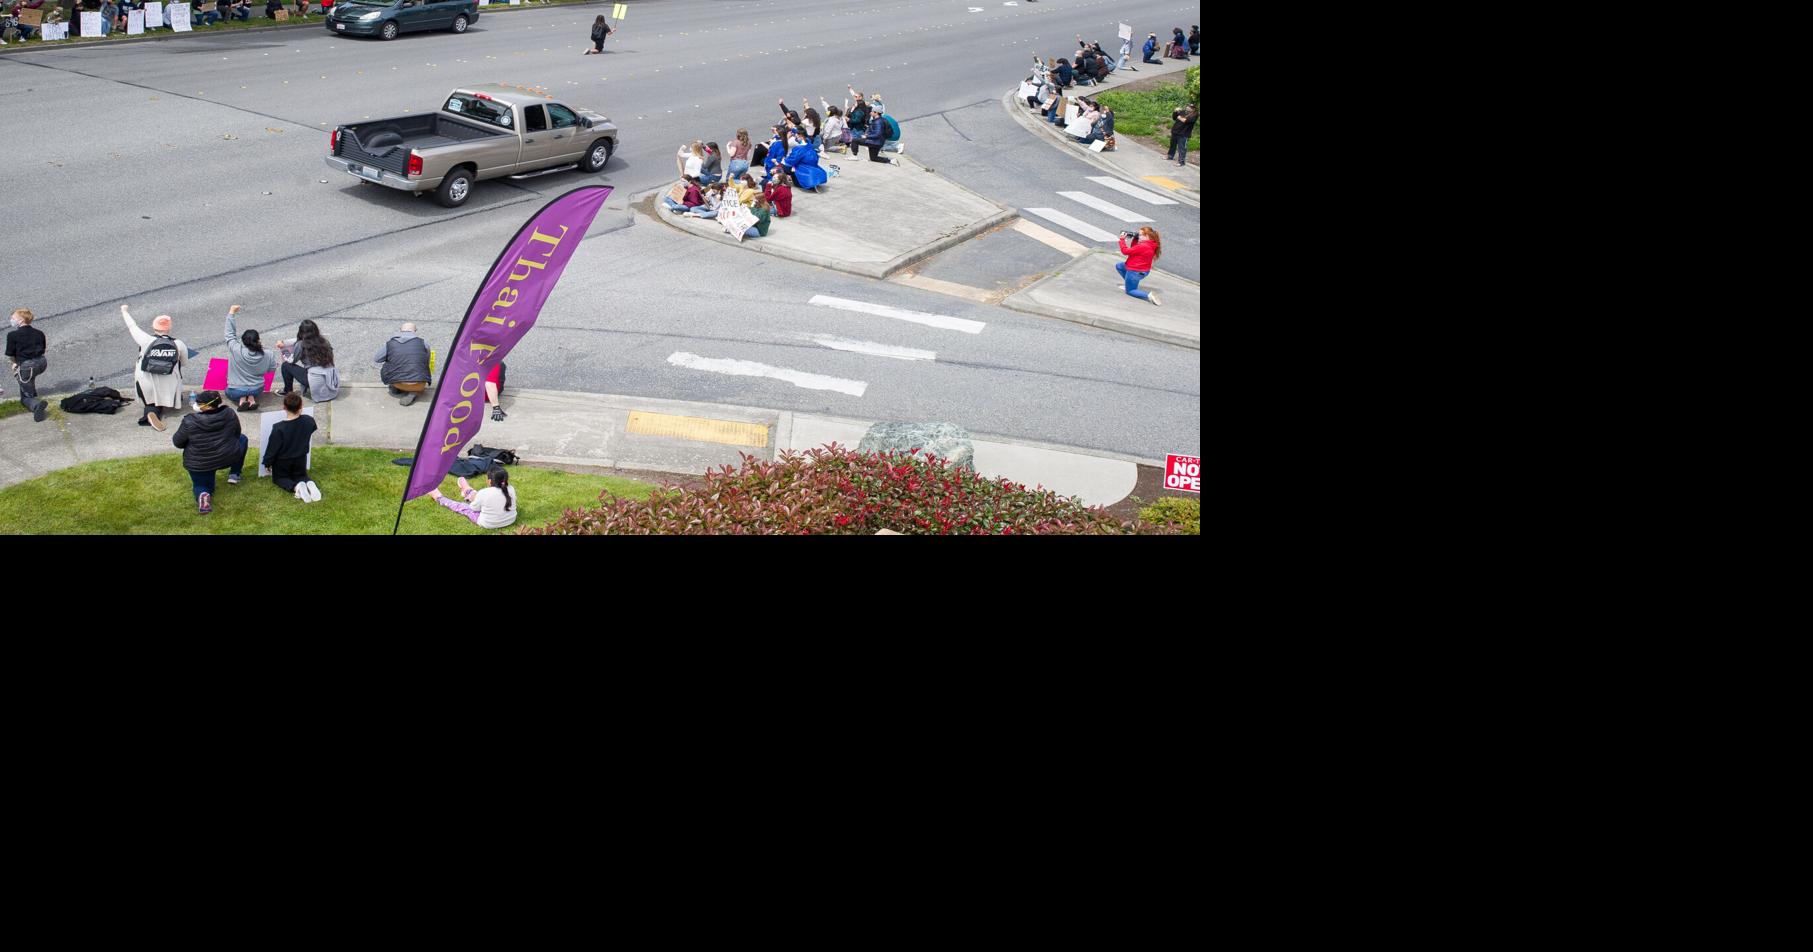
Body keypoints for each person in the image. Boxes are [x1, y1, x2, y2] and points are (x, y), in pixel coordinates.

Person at [171, 391, 247, 515]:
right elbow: (237, 433)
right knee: (242, 439)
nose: (196, 405)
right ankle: (235, 474)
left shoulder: (189, 421)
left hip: (201, 464)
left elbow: (178, 442)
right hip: (227, 457)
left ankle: (203, 495)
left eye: (198, 403)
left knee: (203, 486)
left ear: (206, 406)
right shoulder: (229, 413)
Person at [121, 304, 188, 432]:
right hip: (169, 384)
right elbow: (184, 363)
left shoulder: (145, 340)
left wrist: (124, 311)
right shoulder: (178, 344)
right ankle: (161, 406)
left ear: (153, 327)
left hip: (146, 381)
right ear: (169, 328)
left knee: (150, 403)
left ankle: (150, 412)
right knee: (171, 384)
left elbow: (132, 326)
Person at [263, 392, 320, 502]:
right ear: (301, 407)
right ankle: (309, 483)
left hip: (283, 461)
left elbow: (272, 448)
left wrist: (267, 463)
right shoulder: (308, 420)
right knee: (301, 475)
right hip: (301, 458)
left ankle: (296, 487)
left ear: (284, 407)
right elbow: (313, 427)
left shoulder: (278, 428)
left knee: (280, 478)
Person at [426, 465, 517, 530]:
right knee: (478, 498)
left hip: (489, 523)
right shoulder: (511, 489)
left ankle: (439, 498)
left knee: (462, 507)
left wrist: (475, 499)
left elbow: (473, 508)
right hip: (510, 520)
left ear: (489, 481)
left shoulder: (485, 493)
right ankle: (467, 490)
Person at [223, 305, 274, 412]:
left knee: (228, 391)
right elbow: (271, 370)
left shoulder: (236, 350)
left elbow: (229, 334)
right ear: (258, 340)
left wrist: (231, 312)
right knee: (249, 391)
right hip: (257, 389)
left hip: (235, 390)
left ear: (243, 341)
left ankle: (242, 399)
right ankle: (251, 399)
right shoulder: (268, 354)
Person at [6, 308, 48, 423]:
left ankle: (36, 405)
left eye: (13, 318)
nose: (11, 320)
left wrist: (14, 364)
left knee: (25, 397)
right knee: (30, 379)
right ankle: (32, 393)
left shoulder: (13, 335)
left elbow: (10, 353)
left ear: (20, 320)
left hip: (27, 366)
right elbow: (43, 349)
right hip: (42, 363)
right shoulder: (39, 333)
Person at [374, 322, 431, 406]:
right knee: (420, 366)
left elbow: (377, 359)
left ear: (400, 330)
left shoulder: (390, 344)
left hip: (397, 382)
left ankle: (395, 387)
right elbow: (426, 361)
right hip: (419, 385)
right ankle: (413, 392)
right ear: (415, 331)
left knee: (387, 364)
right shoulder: (424, 344)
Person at [1115, 227, 1162, 307]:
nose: (1138, 236)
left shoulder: (1143, 246)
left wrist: (1122, 240)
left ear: (1147, 236)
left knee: (1130, 291)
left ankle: (1148, 295)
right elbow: (1134, 250)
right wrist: (1135, 239)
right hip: (1142, 270)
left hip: (1135, 271)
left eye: (1140, 235)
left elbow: (1125, 251)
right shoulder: (1151, 244)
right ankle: (1129, 283)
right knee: (1119, 266)